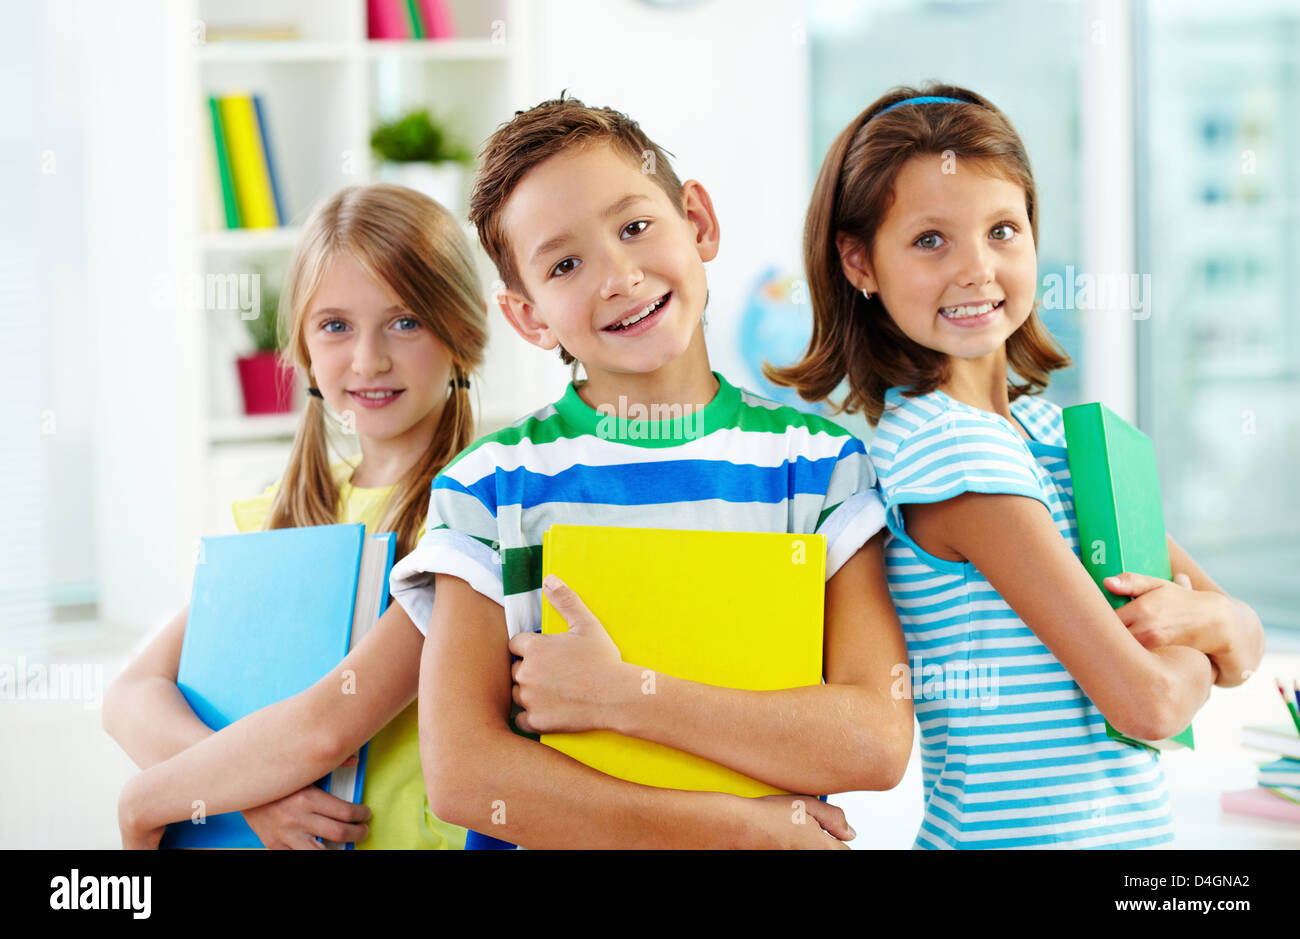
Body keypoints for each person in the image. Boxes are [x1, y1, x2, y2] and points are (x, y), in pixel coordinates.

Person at [389, 96, 914, 850]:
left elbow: (874, 738)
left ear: (697, 221)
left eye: (635, 226)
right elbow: (468, 774)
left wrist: (621, 696)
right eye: (564, 264)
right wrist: (734, 827)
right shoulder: (489, 487)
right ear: (528, 316)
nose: (619, 275)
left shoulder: (819, 465)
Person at [769, 83, 1265, 848]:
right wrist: (1208, 634)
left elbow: (1245, 646)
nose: (977, 269)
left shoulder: (1054, 435)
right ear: (859, 261)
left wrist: (1213, 627)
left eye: (1002, 229)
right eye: (931, 240)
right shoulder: (949, 449)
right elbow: (1151, 706)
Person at [108, 183, 486, 849]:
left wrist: (161, 796)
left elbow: (325, 729)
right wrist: (253, 789)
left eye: (406, 321)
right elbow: (131, 693)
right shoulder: (284, 516)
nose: (368, 359)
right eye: (336, 325)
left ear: (463, 331)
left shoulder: (475, 506)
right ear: (305, 349)